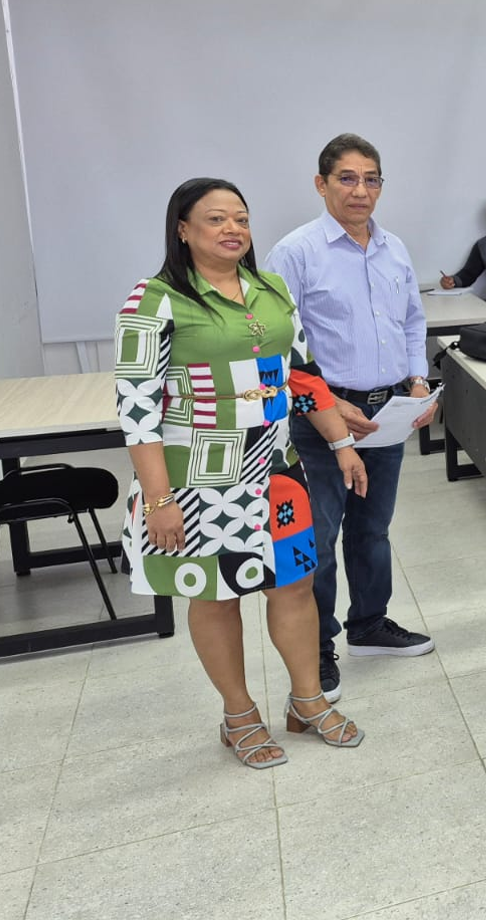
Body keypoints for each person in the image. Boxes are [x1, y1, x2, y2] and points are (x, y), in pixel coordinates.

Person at [116, 178, 365, 766]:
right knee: (217, 596)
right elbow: (136, 408)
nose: (232, 230)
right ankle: (238, 715)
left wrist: (342, 443)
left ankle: (307, 702)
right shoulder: (153, 300)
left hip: (279, 471)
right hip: (198, 479)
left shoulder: (270, 288)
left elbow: (300, 375)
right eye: (215, 219)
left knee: (296, 586)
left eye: (241, 219)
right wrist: (158, 501)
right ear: (183, 229)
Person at [266, 134, 438, 702]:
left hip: (386, 409)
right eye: (347, 178)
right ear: (321, 184)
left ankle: (370, 624)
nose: (360, 190)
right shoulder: (296, 252)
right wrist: (327, 404)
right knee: (318, 536)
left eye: (371, 179)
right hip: (320, 414)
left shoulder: (394, 249)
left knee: (373, 527)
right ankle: (316, 649)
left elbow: (413, 321)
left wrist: (416, 379)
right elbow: (276, 345)